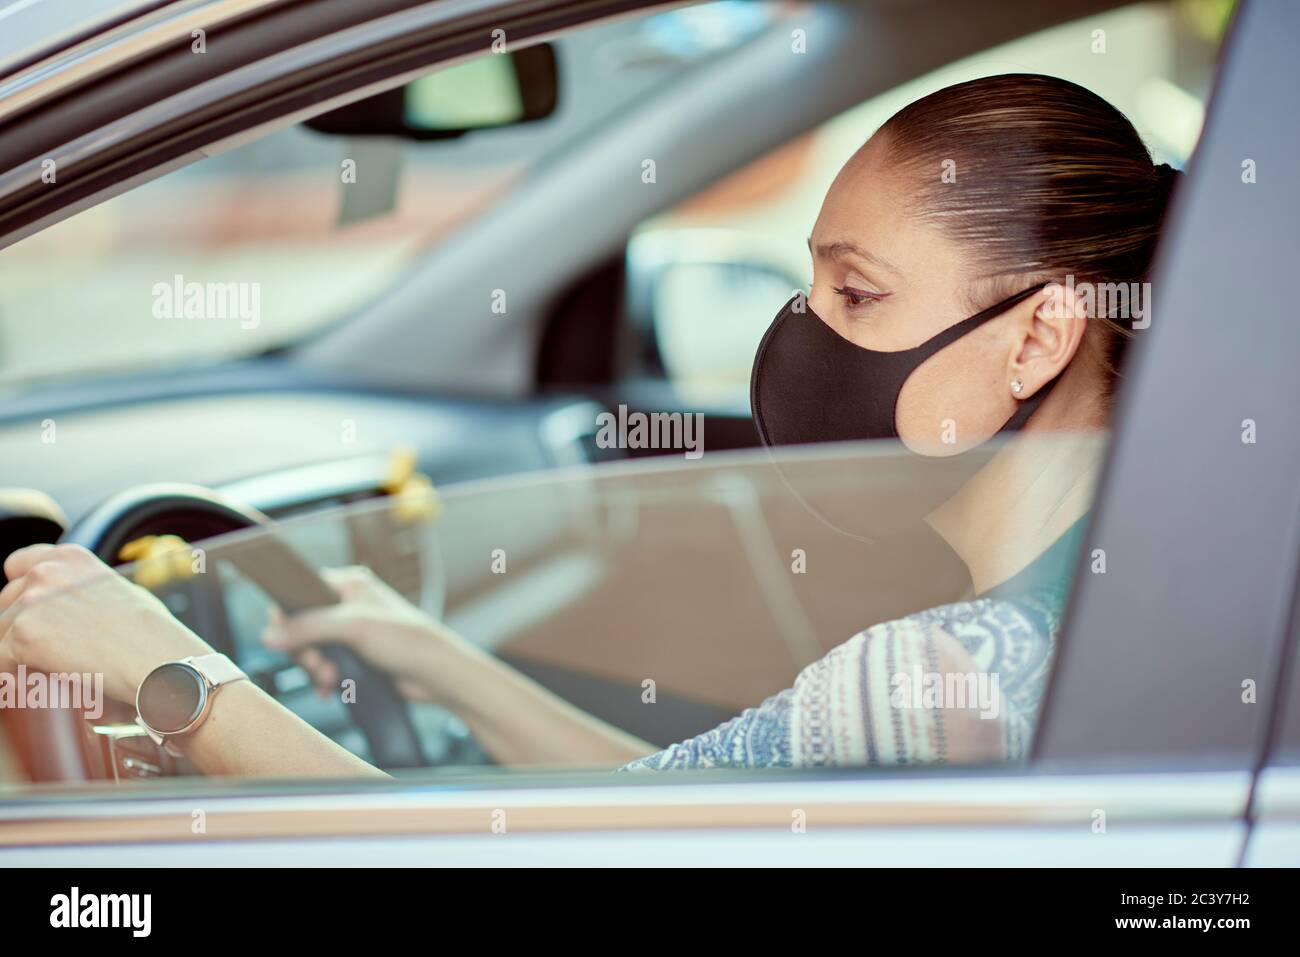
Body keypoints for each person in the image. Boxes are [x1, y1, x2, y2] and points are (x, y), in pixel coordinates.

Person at [0, 75, 1179, 778]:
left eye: (855, 294)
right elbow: (669, 809)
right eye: (802, 288)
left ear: (1038, 337)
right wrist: (433, 656)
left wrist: (167, 671)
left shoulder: (931, 681)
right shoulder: (1121, 599)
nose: (800, 340)